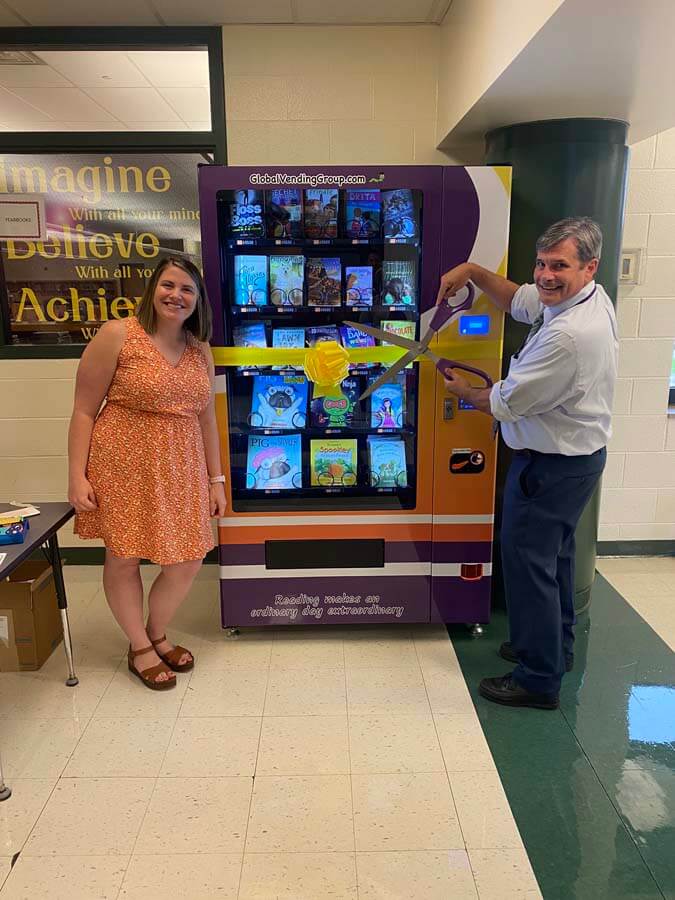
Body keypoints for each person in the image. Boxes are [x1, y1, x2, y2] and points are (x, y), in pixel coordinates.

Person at [437, 217, 618, 710]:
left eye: (558, 265)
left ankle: (537, 678)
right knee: (553, 561)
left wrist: (461, 392)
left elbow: (505, 401)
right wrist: (474, 271)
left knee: (528, 566)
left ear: (589, 267)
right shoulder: (585, 299)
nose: (545, 275)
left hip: (550, 465)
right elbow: (519, 298)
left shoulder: (570, 336)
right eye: (541, 263)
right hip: (573, 461)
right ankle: (552, 648)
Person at [68, 256, 227, 691]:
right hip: (123, 463)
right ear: (153, 289)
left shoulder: (200, 348)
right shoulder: (117, 335)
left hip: (183, 466)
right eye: (168, 285)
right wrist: (76, 476)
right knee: (124, 556)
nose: (176, 295)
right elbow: (84, 410)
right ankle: (140, 645)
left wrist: (217, 480)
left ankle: (157, 630)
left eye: (187, 289)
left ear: (198, 301)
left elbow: (207, 419)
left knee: (189, 558)